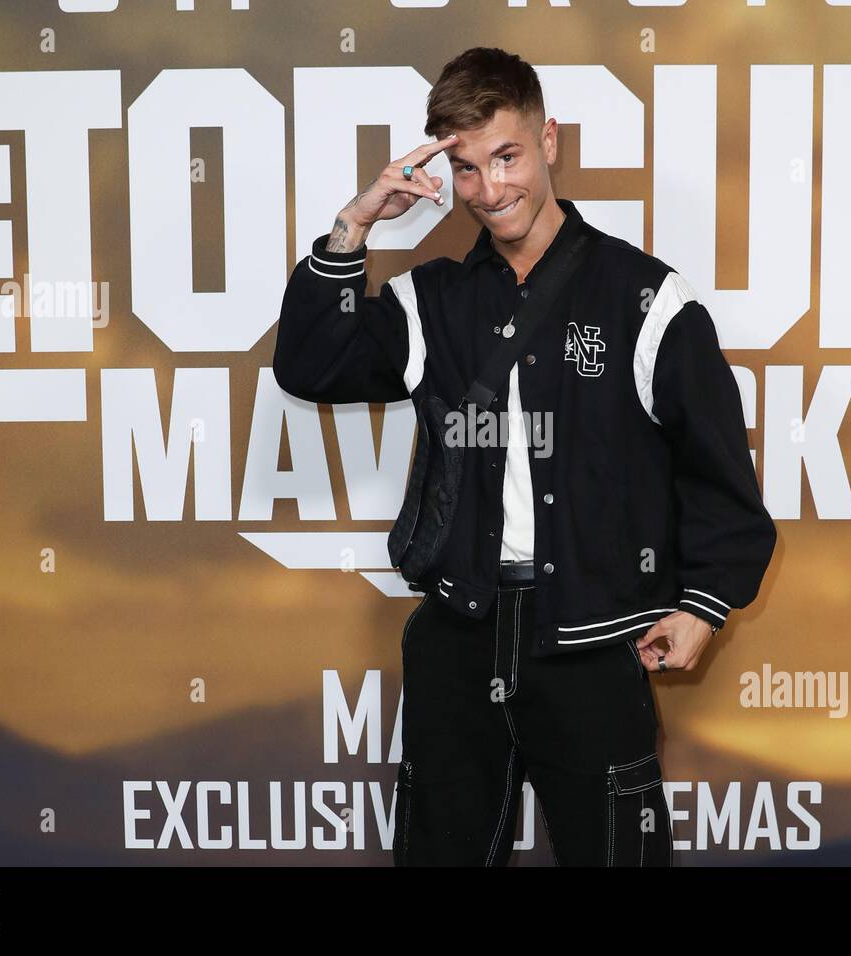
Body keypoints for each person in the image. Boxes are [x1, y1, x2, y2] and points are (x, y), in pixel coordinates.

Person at [273, 47, 777, 866]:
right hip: (457, 637)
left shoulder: (647, 300)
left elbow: (718, 473)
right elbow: (311, 364)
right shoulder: (428, 301)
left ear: (550, 139)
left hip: (590, 639)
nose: (490, 188)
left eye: (506, 156)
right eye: (466, 170)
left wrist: (705, 603)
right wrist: (355, 223)